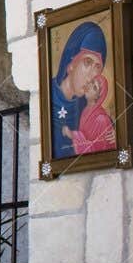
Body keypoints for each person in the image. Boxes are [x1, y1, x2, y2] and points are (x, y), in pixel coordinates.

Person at [49, 20, 106, 159]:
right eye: (87, 62)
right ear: (71, 64)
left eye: (97, 67)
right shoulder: (47, 95)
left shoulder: (87, 107)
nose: (92, 75)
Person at [67, 73, 116, 155]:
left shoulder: (101, 119)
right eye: (92, 82)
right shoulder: (84, 110)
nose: (89, 86)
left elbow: (96, 150)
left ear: (98, 97)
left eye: (94, 88)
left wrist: (73, 135)